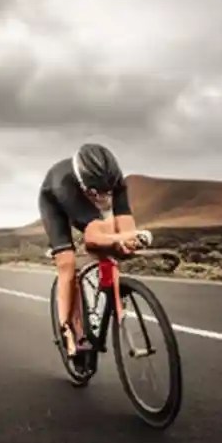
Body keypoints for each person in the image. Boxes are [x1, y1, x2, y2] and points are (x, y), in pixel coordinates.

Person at [38, 143, 148, 357]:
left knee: (115, 242)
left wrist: (130, 241)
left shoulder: (116, 180)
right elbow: (92, 237)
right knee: (67, 263)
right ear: (84, 184)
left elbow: (125, 225)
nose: (102, 197)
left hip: (88, 203)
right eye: (96, 193)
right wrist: (115, 240)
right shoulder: (65, 184)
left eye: (107, 193)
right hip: (56, 204)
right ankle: (67, 330)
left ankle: (105, 301)